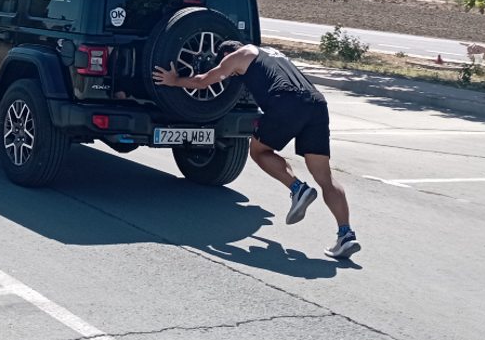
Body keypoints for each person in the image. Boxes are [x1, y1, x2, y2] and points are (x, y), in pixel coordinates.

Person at [153, 41, 361, 259]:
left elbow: (204, 81)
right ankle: (346, 235)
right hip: (316, 103)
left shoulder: (238, 55)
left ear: (226, 53)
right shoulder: (272, 53)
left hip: (286, 101)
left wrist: (174, 81)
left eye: (224, 63)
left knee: (259, 151)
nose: (229, 72)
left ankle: (298, 188)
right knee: (325, 177)